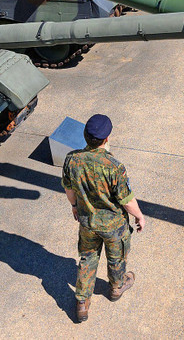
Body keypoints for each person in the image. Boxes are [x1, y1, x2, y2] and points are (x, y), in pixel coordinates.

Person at [62, 114, 146, 323]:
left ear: (85, 136)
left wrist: (74, 207)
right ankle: (116, 288)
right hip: (113, 226)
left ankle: (82, 302)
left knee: (88, 258)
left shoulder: (72, 159)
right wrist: (140, 216)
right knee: (116, 257)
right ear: (107, 138)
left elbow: (69, 188)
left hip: (88, 222)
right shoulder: (114, 166)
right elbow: (126, 200)